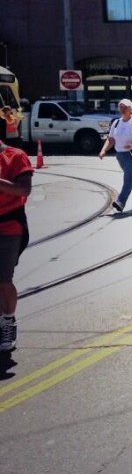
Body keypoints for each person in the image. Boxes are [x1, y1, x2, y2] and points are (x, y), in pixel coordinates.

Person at [0, 138, 33, 352]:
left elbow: (24, 190)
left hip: (8, 227)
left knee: (3, 280)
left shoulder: (15, 156)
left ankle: (8, 321)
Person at [99, 98, 132, 212]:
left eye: (125, 107)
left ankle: (120, 202)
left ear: (130, 109)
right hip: (121, 155)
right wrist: (103, 150)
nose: (122, 109)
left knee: (128, 178)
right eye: (120, 107)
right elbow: (110, 139)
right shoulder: (116, 123)